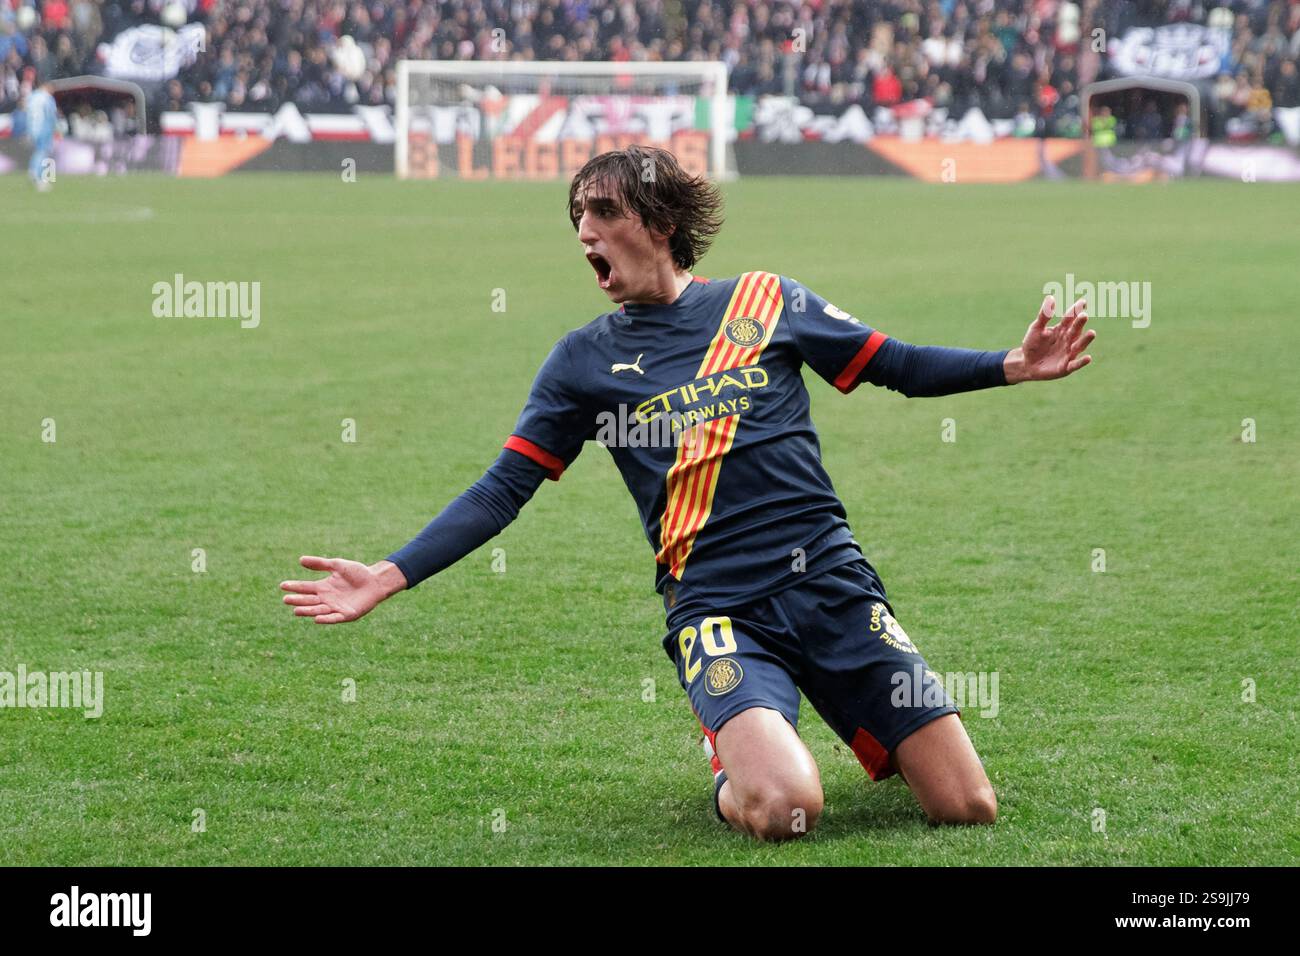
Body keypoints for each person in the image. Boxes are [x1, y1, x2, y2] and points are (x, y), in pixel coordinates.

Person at [279, 146, 1096, 841]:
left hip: (834, 586)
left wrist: (1011, 366)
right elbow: (502, 491)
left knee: (967, 808)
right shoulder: (581, 362)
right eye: (576, 220)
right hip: (718, 610)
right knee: (785, 809)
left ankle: (799, 724)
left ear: (661, 224)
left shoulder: (767, 302)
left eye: (602, 211)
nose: (585, 232)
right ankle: (734, 759)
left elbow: (898, 365)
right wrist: (388, 575)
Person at [25, 79, 58, 191]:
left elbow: (28, 113)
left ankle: (33, 170)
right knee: (43, 152)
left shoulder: (32, 97)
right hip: (44, 128)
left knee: (38, 150)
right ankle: (38, 175)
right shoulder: (47, 98)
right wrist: (55, 129)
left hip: (33, 128)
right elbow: (51, 115)